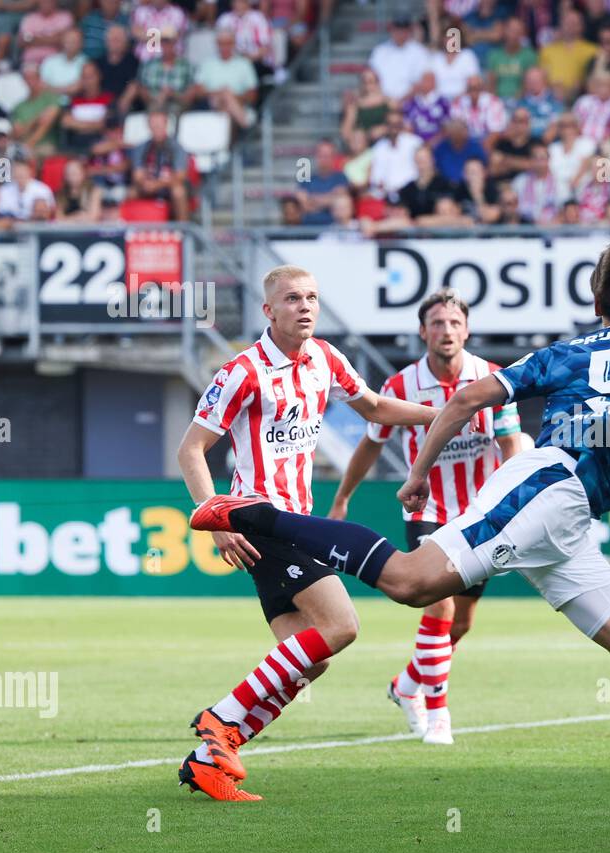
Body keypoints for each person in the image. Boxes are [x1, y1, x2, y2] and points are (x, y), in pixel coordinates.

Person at [190, 241, 610, 839]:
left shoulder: (571, 350)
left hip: (563, 515)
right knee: (411, 583)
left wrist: (416, 473)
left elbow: (464, 399)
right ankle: (249, 514)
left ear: (599, 306)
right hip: (548, 493)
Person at [174, 265, 438, 801]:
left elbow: (376, 407)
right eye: (293, 298)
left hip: (300, 521)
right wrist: (216, 515)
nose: (306, 306)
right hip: (260, 521)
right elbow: (191, 449)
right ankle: (219, 720)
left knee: (306, 660)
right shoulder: (241, 371)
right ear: (268, 311)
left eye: (313, 297)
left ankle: (209, 761)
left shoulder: (326, 358)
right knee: (341, 626)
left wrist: (444, 413)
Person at [328, 290, 523, 745]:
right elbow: (371, 444)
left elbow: (512, 444)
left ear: (467, 330)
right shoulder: (400, 387)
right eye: (437, 323)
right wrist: (342, 499)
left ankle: (407, 685)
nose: (447, 330)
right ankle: (437, 713)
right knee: (440, 603)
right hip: (428, 510)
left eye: (454, 323)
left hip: (481, 511)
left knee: (461, 622)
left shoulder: (493, 380)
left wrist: (514, 496)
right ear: (423, 332)